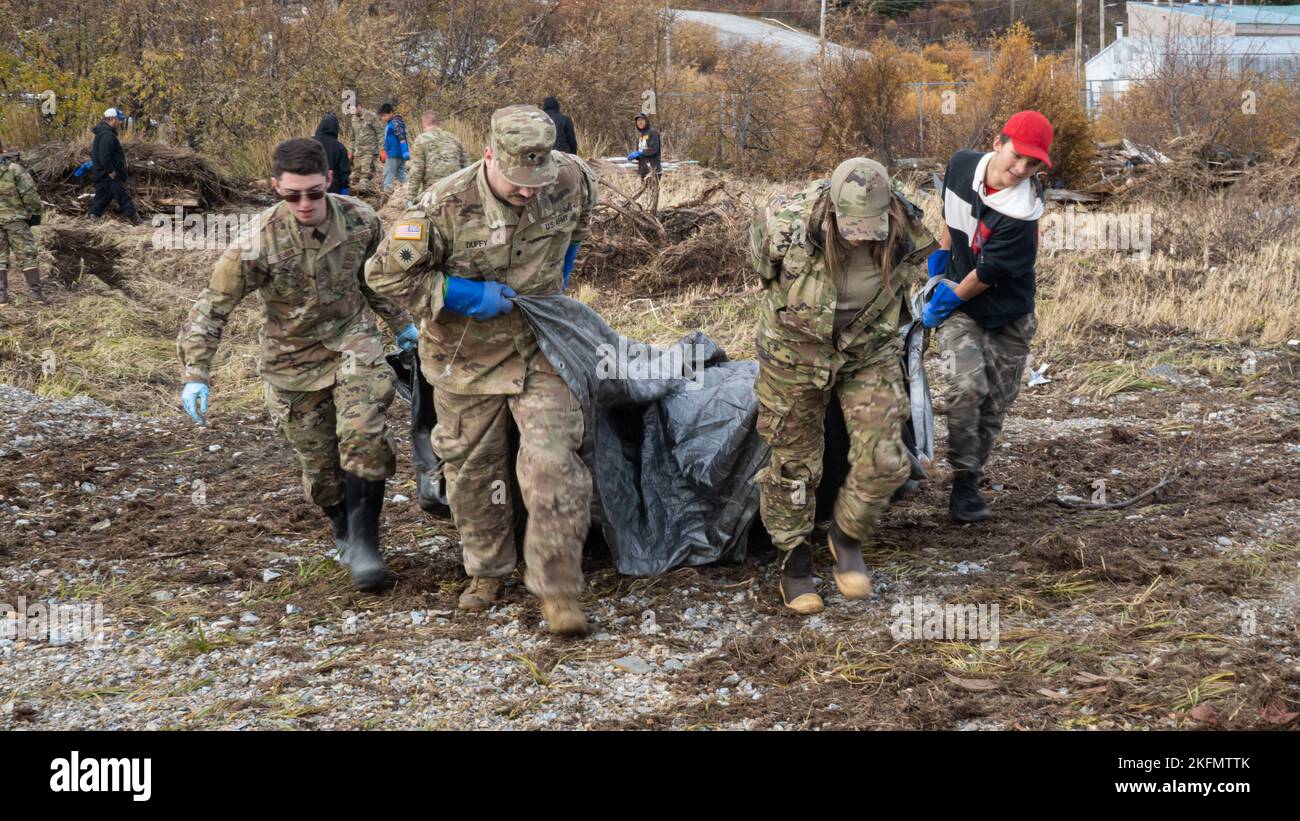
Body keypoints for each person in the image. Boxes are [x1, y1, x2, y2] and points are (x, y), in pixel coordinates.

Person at [365, 105, 598, 635]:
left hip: (542, 347)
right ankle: (488, 571)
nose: (529, 191)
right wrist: (461, 294)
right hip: (463, 355)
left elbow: (577, 230)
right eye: (517, 182)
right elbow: (383, 276)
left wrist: (554, 287)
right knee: (473, 471)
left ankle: (558, 587)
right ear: (489, 155)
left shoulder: (572, 178)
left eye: (537, 181)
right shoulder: (440, 205)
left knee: (554, 459)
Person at [176, 138, 420, 591]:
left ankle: (367, 545)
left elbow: (375, 280)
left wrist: (403, 325)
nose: (304, 204)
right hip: (291, 361)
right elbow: (212, 307)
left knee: (364, 436)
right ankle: (344, 527)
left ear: (328, 180)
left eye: (313, 192)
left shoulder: (361, 219)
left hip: (353, 342)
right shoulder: (258, 241)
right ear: (276, 187)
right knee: (323, 474)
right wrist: (197, 373)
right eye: (291, 195)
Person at [750, 157, 936, 614]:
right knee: (794, 463)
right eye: (850, 226)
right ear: (831, 210)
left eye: (869, 227)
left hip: (865, 351)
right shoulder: (785, 222)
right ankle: (794, 559)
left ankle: (845, 535)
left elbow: (909, 282)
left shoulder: (906, 230)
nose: (858, 236)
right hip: (795, 350)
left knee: (886, 457)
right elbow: (761, 270)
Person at [922, 110, 1052, 523]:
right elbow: (949, 210)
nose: (1021, 170)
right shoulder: (961, 164)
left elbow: (987, 274)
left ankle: (967, 482)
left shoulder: (1022, 214)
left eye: (1032, 164)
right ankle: (963, 482)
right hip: (962, 305)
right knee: (966, 387)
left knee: (993, 405)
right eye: (1017, 156)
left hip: (1007, 314)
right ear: (998, 143)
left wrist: (945, 300)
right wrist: (942, 255)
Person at [0, 141, 44, 303]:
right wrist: (35, 214)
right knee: (27, 255)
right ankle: (36, 294)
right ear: (2, 149)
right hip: (16, 220)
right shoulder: (15, 170)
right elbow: (30, 194)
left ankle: (2, 296)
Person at [88, 108, 142, 225]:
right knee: (123, 196)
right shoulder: (107, 135)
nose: (121, 122)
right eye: (119, 120)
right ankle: (137, 221)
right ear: (112, 119)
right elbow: (104, 155)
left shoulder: (104, 133)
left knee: (103, 197)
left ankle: (93, 218)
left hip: (104, 174)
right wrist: (111, 171)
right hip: (109, 174)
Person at [405, 110, 467, 206]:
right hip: (456, 190)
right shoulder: (454, 138)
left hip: (433, 193)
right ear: (438, 123)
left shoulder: (421, 140)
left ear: (423, 124)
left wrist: (411, 198)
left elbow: (417, 171)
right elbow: (466, 167)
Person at [314, 113, 352, 195]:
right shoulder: (340, 147)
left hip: (312, 188)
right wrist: (345, 193)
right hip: (333, 190)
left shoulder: (309, 143)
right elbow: (344, 173)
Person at [378, 103, 410, 192]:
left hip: (394, 154)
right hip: (399, 154)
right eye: (381, 116)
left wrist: (404, 150)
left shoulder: (394, 123)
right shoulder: (394, 122)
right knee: (401, 174)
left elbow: (401, 136)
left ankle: (386, 193)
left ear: (391, 113)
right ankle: (410, 189)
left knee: (388, 173)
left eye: (384, 116)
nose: (382, 118)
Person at [349, 102, 383, 182]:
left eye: (353, 109)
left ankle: (367, 193)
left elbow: (380, 133)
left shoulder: (371, 116)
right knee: (354, 178)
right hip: (357, 153)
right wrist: (351, 152)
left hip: (370, 152)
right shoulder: (353, 119)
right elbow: (352, 138)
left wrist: (383, 149)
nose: (352, 112)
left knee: (366, 176)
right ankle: (355, 194)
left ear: (359, 106)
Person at [627, 113, 661, 179]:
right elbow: (640, 153)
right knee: (645, 189)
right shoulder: (640, 136)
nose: (640, 122)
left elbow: (654, 149)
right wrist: (635, 156)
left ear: (646, 121)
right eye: (638, 121)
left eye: (642, 120)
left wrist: (640, 153)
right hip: (643, 170)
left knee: (653, 189)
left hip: (653, 169)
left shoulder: (652, 132)